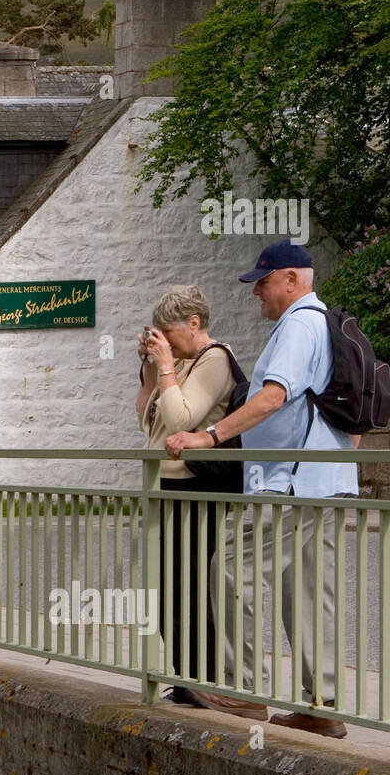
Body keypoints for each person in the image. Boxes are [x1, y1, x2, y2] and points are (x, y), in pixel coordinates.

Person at [167, 239, 357, 738]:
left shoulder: (297, 324)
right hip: (325, 480)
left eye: (264, 283)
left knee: (231, 566)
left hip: (290, 483)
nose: (258, 294)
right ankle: (322, 703)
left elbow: (273, 398)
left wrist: (208, 436)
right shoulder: (323, 323)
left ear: (291, 280)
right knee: (310, 592)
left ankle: (242, 691)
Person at [135, 285, 236, 708]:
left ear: (194, 324)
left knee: (190, 585)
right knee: (163, 587)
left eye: (170, 334)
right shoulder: (176, 365)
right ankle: (186, 675)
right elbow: (148, 420)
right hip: (165, 485)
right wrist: (150, 368)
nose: (167, 343)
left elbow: (182, 419)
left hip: (196, 486)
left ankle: (205, 680)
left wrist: (167, 368)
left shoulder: (215, 360)